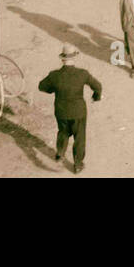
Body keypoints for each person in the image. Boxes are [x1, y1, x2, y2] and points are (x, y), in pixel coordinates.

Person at [37, 45, 102, 174]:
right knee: (79, 137)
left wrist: (53, 89)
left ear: (62, 59)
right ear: (75, 58)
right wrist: (96, 97)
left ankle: (60, 154)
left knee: (63, 131)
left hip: (61, 111)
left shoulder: (54, 75)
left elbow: (41, 86)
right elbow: (98, 86)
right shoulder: (82, 74)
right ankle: (77, 165)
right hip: (78, 112)